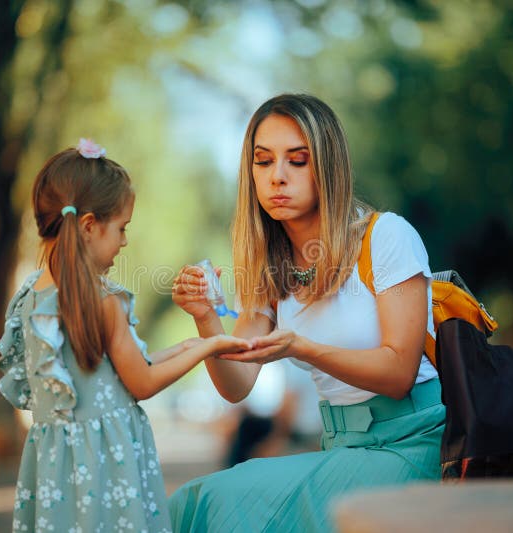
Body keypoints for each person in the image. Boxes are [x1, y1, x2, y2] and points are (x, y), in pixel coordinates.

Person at [170, 94, 446, 532]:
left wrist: (305, 348)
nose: (277, 177)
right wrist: (206, 319)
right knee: (202, 501)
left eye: (297, 161)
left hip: (414, 443)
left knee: (214, 501)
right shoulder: (270, 267)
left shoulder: (386, 236)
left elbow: (399, 373)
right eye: (263, 162)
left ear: (328, 167)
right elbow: (238, 385)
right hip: (340, 448)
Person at [0, 139, 253, 533]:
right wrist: (212, 346)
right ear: (88, 226)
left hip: (59, 478)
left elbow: (122, 369)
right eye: (121, 228)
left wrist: (193, 344)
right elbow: (143, 381)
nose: (125, 241)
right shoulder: (103, 302)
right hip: (107, 470)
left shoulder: (31, 300)